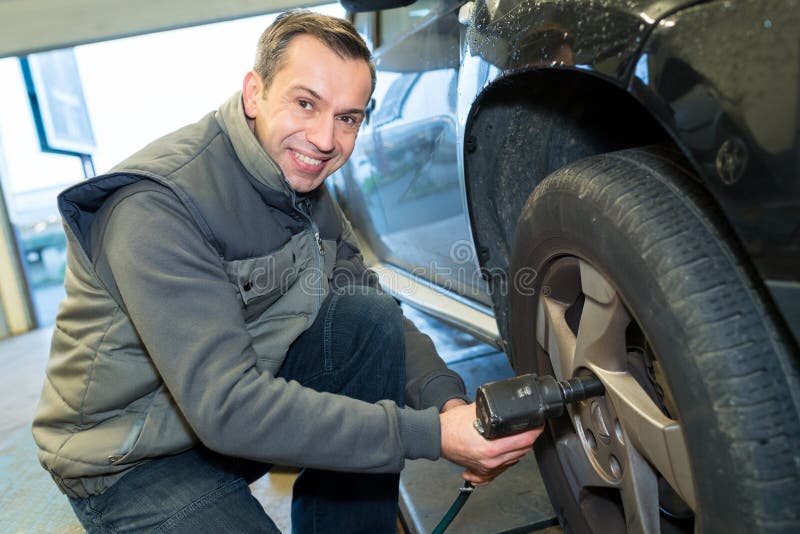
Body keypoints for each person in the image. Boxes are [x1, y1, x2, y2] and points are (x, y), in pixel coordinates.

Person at [32, 10, 541, 533]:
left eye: (348, 118)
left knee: (367, 316)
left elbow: (374, 305)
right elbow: (228, 407)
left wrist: (451, 407)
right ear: (255, 93)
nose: (325, 139)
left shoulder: (302, 187)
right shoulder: (157, 207)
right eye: (306, 103)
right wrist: (432, 435)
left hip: (227, 419)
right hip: (132, 459)